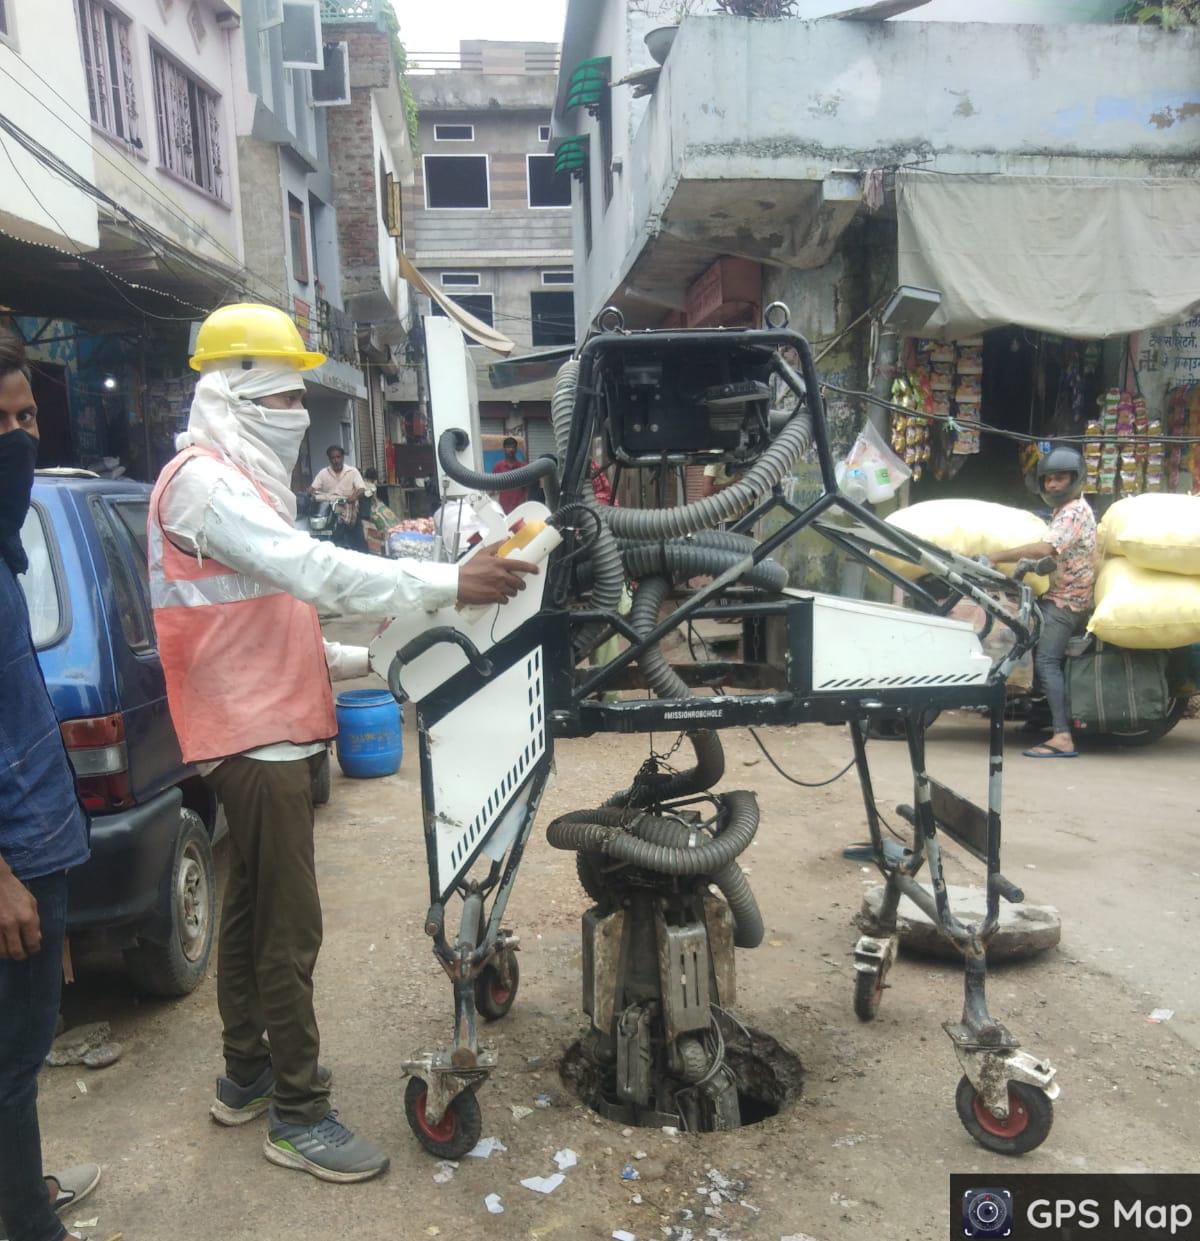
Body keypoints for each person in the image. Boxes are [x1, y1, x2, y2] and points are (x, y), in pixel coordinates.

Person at [152, 303, 535, 1184]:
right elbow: (314, 572)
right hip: (257, 739)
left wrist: (377, 658)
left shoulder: (238, 486)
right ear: (239, 385)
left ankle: (246, 1073)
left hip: (262, 725)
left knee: (248, 914)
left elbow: (273, 615)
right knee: (291, 928)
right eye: (285, 392)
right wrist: (446, 581)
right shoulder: (201, 483)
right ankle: (298, 1111)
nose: (296, 410)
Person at [0, 330, 101, 1241]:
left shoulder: (3, 554)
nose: (18, 437)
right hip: (10, 860)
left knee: (23, 1050)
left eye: (25, 415)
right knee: (10, 1062)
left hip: (36, 846)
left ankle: (24, 1196)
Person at [986, 446, 1096, 759]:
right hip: (1061, 595)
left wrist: (996, 556)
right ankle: (1041, 715)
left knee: (1046, 660)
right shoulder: (1065, 512)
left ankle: (1062, 736)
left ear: (1075, 480)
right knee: (1031, 641)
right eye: (1047, 480)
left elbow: (1046, 549)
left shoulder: (1074, 511)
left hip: (1068, 603)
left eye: (1059, 478)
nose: (1051, 485)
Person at [309, 445, 369, 553]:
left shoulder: (352, 472)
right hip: (330, 513)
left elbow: (361, 488)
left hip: (350, 511)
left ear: (342, 457)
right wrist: (310, 492)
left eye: (338, 457)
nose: (336, 460)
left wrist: (353, 497)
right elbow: (313, 488)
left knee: (359, 542)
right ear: (329, 459)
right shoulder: (323, 473)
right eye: (333, 458)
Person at [491, 436, 528, 514]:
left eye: (513, 447)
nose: (511, 450)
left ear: (516, 449)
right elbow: (493, 489)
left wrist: (524, 503)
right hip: (503, 507)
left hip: (520, 507)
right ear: (504, 449)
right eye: (508, 447)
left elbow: (526, 489)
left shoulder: (522, 467)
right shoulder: (498, 467)